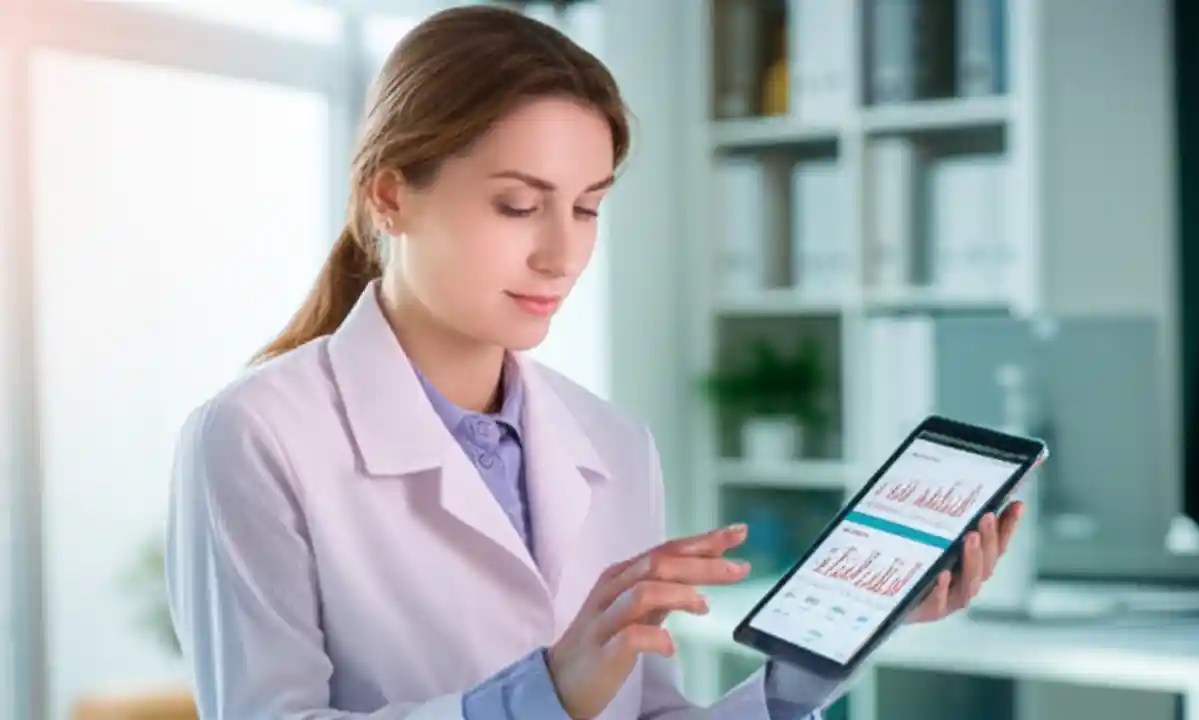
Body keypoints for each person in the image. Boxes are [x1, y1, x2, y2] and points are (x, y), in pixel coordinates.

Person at [165, 6, 1024, 720]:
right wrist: (536, 697)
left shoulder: (610, 444)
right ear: (390, 193)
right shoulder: (256, 435)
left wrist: (827, 651)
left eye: (586, 209)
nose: (561, 254)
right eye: (517, 205)